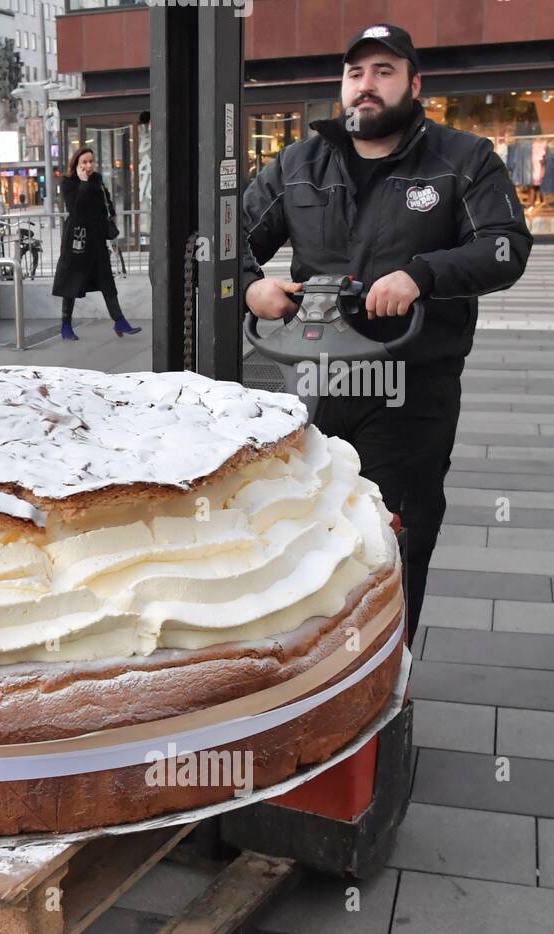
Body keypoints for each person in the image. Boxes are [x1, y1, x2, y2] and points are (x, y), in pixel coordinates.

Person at [241, 24, 532, 643]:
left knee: (394, 534)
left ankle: (389, 674)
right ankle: (318, 678)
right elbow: (230, 240)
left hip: (409, 385)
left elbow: (505, 248)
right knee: (299, 532)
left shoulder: (463, 160)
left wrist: (423, 275)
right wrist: (251, 287)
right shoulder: (298, 164)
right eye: (355, 74)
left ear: (414, 84)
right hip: (308, 381)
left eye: (383, 71)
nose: (366, 86)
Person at [52, 147, 141, 341]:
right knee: (72, 281)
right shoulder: (68, 183)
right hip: (77, 239)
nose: (88, 166)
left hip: (97, 238)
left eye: (91, 161)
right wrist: (83, 184)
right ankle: (66, 325)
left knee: (106, 280)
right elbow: (75, 209)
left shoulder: (98, 179)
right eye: (84, 162)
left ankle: (119, 320)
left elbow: (105, 204)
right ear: (76, 163)